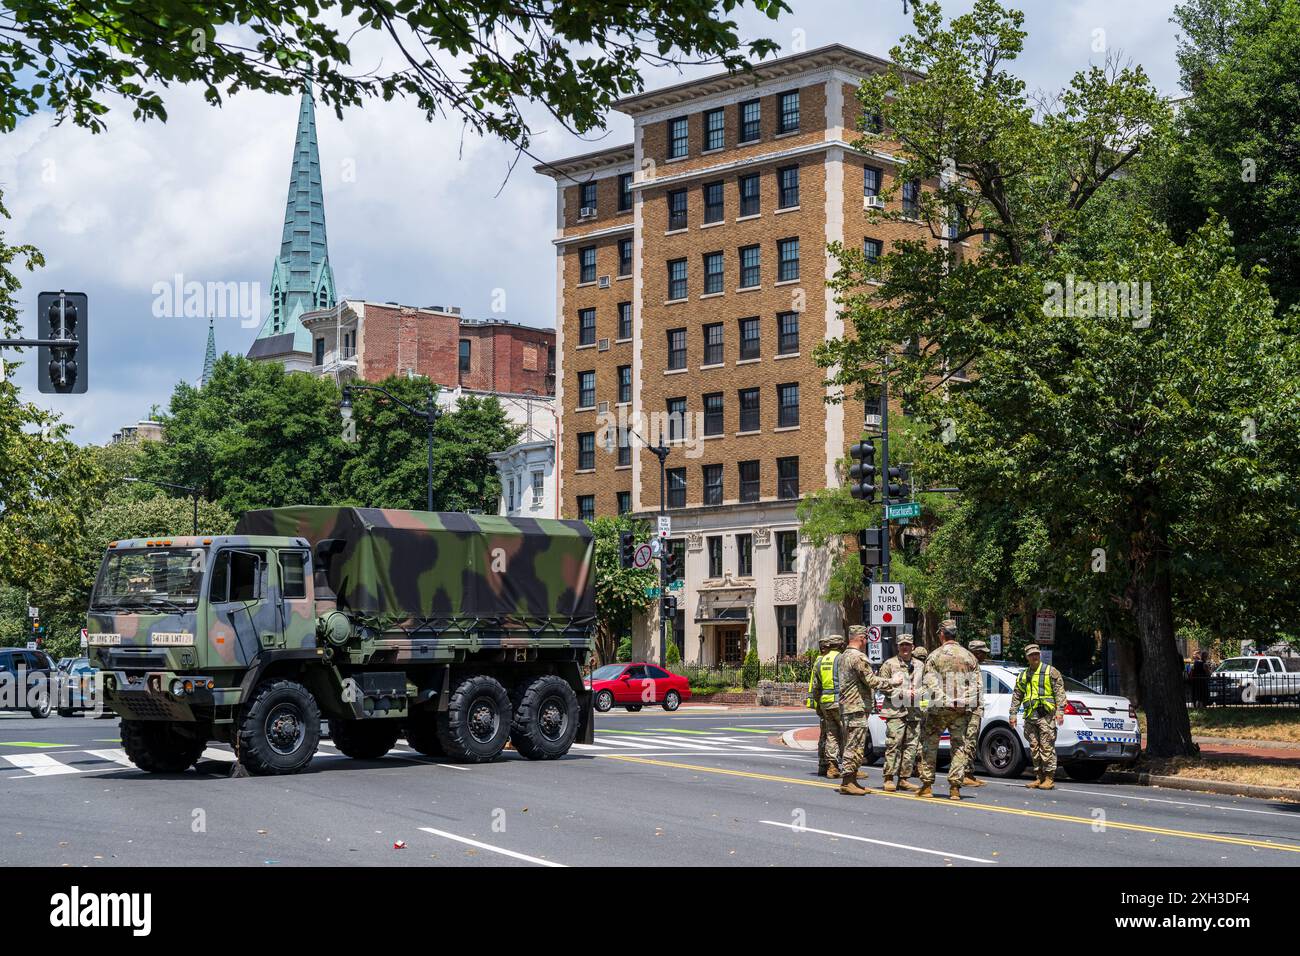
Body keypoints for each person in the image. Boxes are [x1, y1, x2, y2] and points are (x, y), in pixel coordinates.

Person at [917, 620, 980, 800]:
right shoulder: (970, 657)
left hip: (939, 709)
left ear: (942, 634)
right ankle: (954, 789)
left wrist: (946, 701)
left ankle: (927, 786)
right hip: (961, 710)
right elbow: (976, 686)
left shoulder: (935, 656)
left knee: (930, 745)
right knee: (959, 747)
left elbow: (930, 683)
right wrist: (961, 702)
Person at [836, 628, 901, 795]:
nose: (866, 643)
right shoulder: (858, 657)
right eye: (865, 639)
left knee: (852, 742)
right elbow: (871, 680)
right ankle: (847, 781)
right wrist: (892, 681)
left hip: (848, 706)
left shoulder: (843, 656)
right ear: (861, 639)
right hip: (856, 706)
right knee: (854, 744)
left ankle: (852, 781)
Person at [1009, 644, 1067, 790]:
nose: (1034, 657)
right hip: (1030, 716)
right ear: (1027, 657)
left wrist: (1060, 711)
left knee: (1047, 746)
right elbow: (1017, 695)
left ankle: (1049, 777)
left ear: (1039, 655)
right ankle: (1039, 777)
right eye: (1031, 655)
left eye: (1036, 654)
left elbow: (1059, 692)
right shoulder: (1023, 675)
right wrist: (1013, 714)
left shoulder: (1050, 672)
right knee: (1034, 747)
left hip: (1046, 716)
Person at [878, 634, 922, 792]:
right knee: (893, 744)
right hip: (895, 711)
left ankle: (904, 778)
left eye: (908, 645)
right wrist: (902, 693)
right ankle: (889, 778)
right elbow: (883, 685)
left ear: (913, 647)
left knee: (911, 746)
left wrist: (918, 693)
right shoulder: (889, 664)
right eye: (902, 645)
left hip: (914, 712)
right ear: (897, 646)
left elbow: (928, 684)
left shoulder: (920, 666)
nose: (905, 647)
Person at [806, 634, 845, 778]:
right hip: (840, 703)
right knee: (845, 735)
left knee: (829, 735)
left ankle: (828, 766)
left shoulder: (819, 661)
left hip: (825, 703)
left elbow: (815, 686)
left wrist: (819, 704)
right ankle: (849, 768)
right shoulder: (842, 659)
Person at [958, 639, 991, 788]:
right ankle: (964, 774)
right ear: (976, 653)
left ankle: (969, 773)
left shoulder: (974, 666)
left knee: (971, 741)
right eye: (983, 653)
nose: (985, 656)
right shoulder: (965, 666)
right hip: (968, 710)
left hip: (974, 709)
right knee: (968, 741)